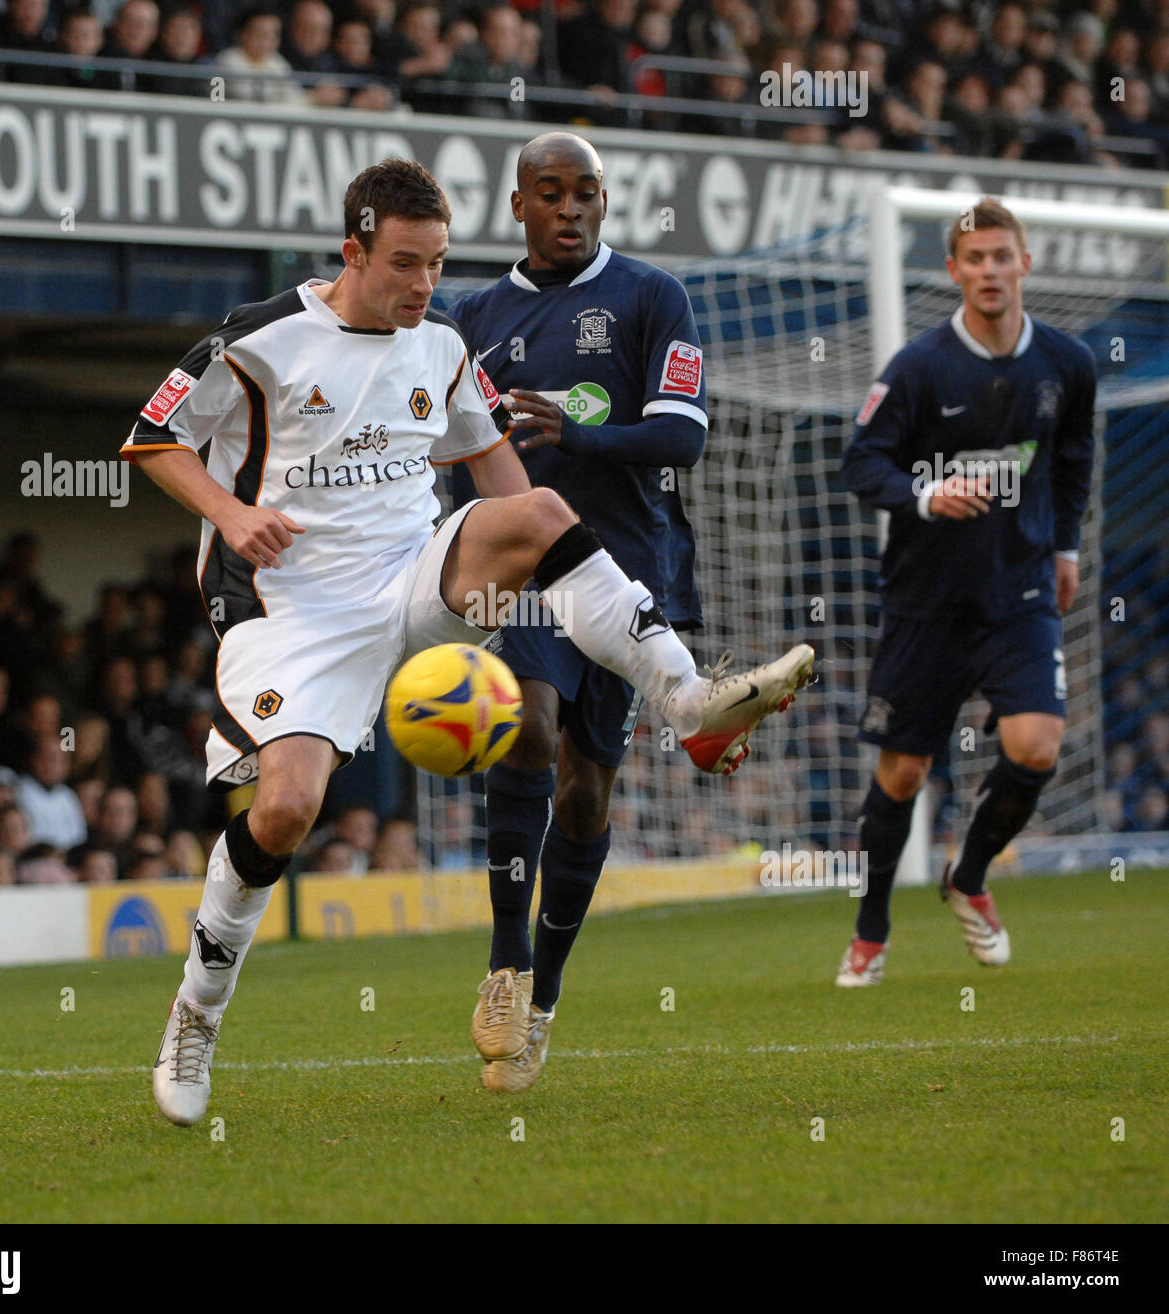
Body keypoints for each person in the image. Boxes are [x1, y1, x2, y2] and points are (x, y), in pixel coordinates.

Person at [126, 158, 813, 1127]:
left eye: (438, 265)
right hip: (295, 609)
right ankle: (195, 1013)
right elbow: (152, 438)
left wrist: (542, 552)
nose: (422, 286)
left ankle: (686, 696)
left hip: (414, 573)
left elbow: (496, 474)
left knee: (534, 506)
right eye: (403, 265)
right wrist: (230, 520)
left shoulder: (441, 343)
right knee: (283, 811)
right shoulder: (260, 337)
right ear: (353, 250)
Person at [448, 131, 803, 1093]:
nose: (570, 208)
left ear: (606, 202)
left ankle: (544, 1005)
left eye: (588, 193)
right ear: (517, 205)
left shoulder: (653, 296)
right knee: (526, 717)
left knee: (585, 793)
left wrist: (581, 429)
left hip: (627, 569)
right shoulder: (469, 317)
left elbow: (684, 435)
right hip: (521, 572)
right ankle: (504, 965)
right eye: (550, 193)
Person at [836, 196, 1095, 986]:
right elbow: (861, 463)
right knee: (903, 774)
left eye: (1000, 256)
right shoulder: (918, 368)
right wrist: (923, 496)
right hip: (927, 600)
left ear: (1025, 263)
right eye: (973, 259)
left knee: (1036, 746)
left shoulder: (1067, 364)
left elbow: (1073, 456)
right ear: (953, 272)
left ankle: (969, 876)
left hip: (1018, 591)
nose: (988, 271)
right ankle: (871, 932)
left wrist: (1066, 546)